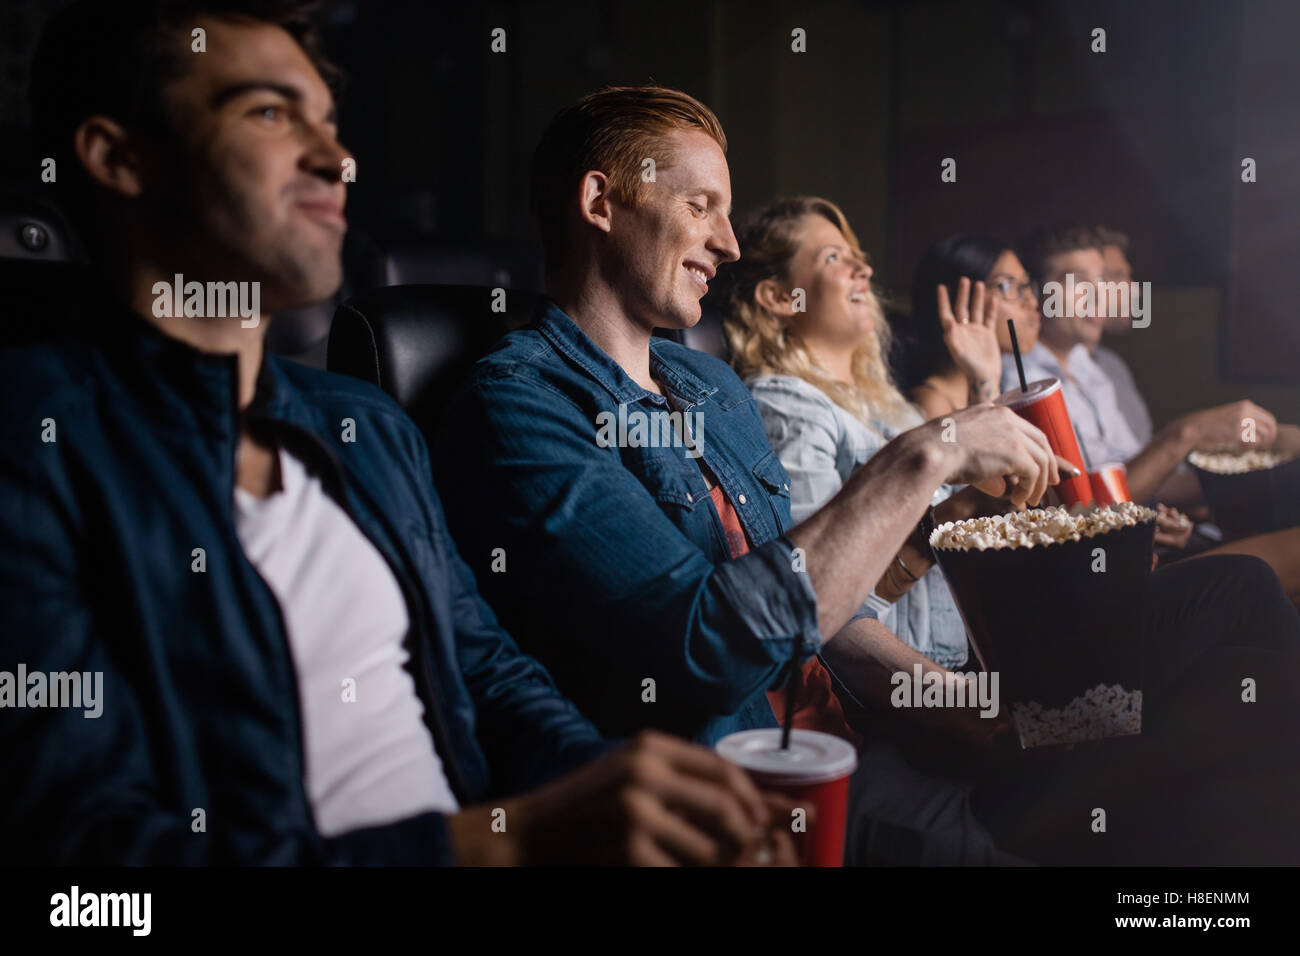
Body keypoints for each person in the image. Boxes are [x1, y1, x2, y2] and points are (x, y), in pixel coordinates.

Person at [0, 0, 798, 867]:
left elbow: (489, 677)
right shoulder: (34, 448)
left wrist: (624, 795)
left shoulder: (365, 432)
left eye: (330, 122)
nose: (336, 158)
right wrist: (509, 842)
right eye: (269, 112)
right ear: (120, 157)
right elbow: (85, 877)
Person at [435, 88, 1300, 864]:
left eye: (728, 214)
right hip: (782, 781)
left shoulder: (707, 384)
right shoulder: (518, 405)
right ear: (600, 202)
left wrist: (943, 574)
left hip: (887, 719)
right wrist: (927, 455)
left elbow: (818, 594)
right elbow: (702, 648)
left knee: (1236, 604)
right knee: (1209, 761)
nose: (728, 243)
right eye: (700, 207)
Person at [898, 233, 1193, 548]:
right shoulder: (931, 404)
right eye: (1008, 287)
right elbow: (991, 518)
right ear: (960, 300)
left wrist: (1124, 525)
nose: (1031, 301)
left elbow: (1033, 516)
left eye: (1028, 287)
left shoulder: (998, 389)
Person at [1008, 224, 1300, 507]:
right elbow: (1083, 511)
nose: (1100, 295)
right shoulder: (1020, 383)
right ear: (1035, 292)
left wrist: (1263, 474)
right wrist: (1186, 433)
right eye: (1078, 282)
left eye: (1101, 281)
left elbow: (1143, 477)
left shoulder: (1095, 369)